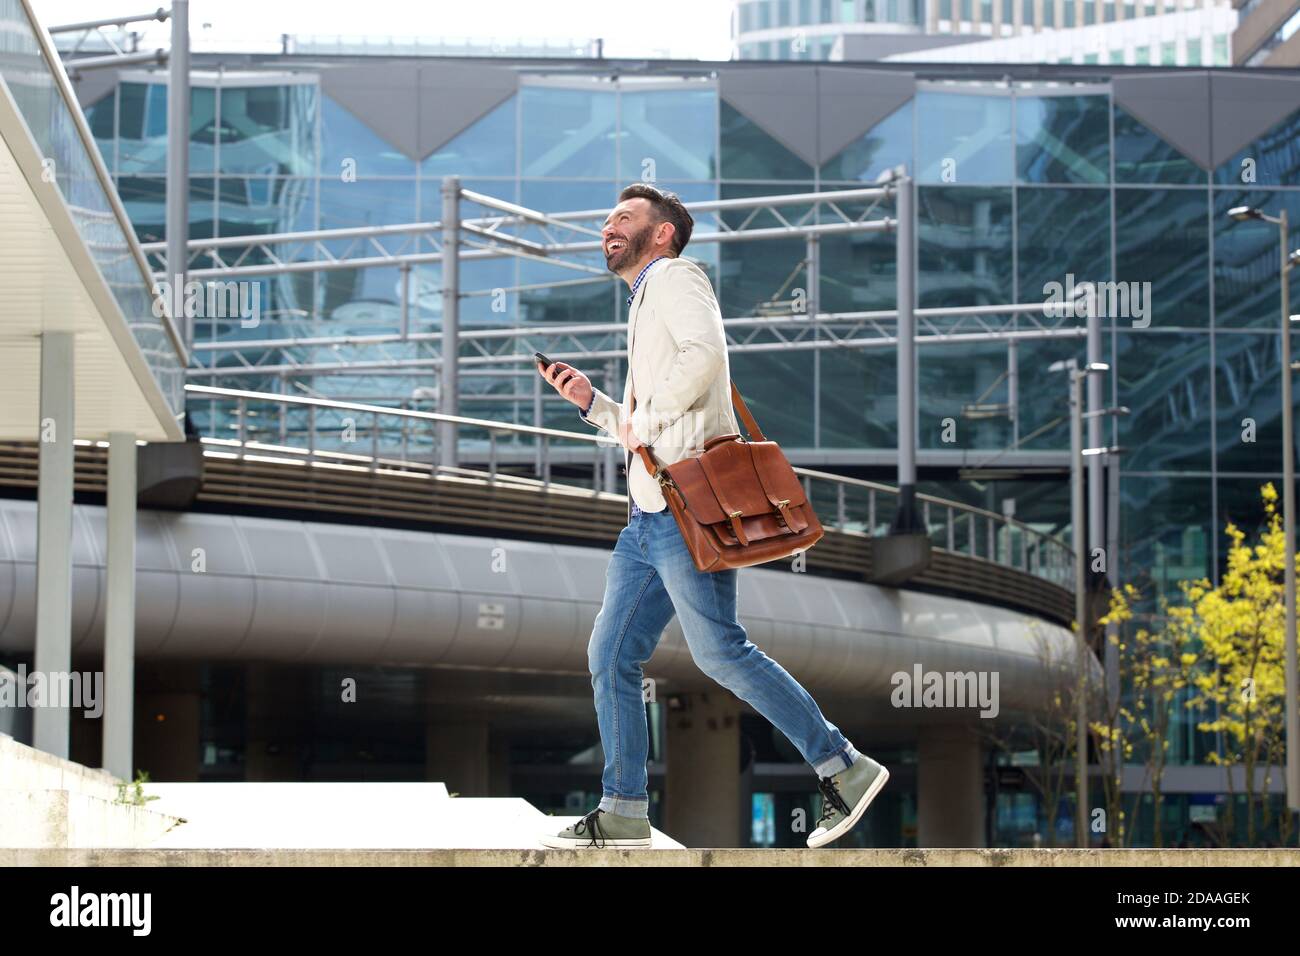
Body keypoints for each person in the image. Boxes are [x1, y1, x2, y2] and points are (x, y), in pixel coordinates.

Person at [536, 183, 888, 850]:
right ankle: (623, 811)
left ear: (661, 233)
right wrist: (596, 405)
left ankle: (844, 765)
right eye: (607, 217)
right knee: (610, 653)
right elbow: (646, 429)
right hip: (645, 516)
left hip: (683, 506)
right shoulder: (643, 301)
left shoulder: (675, 276)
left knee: (720, 650)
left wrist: (643, 415)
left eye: (624, 218)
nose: (608, 226)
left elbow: (703, 359)